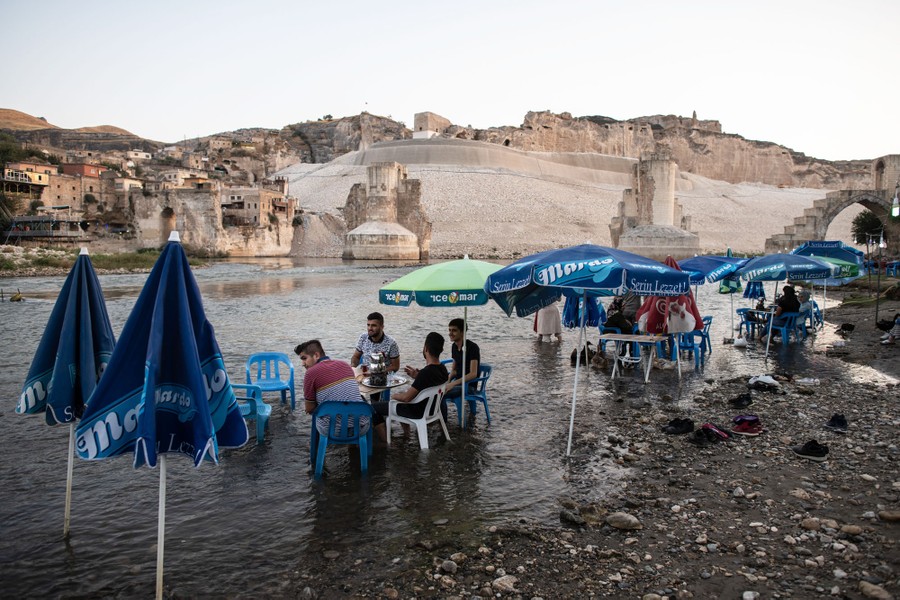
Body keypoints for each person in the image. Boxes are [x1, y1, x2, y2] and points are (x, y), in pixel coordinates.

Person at [371, 332, 449, 440]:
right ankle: (406, 435)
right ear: (441, 350)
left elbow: (407, 398)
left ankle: (385, 441)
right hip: (432, 409)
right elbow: (430, 381)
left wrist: (395, 396)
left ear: (426, 348)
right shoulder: (443, 369)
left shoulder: (425, 373)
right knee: (400, 399)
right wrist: (416, 376)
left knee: (373, 407)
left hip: (416, 411)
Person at [295, 339, 368, 436]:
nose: (302, 363)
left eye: (304, 358)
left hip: (334, 431)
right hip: (361, 427)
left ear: (316, 355)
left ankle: (316, 449)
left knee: (318, 413)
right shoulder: (345, 365)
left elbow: (309, 409)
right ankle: (353, 447)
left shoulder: (310, 373)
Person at [351, 311, 400, 401]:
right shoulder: (363, 337)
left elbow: (395, 366)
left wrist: (376, 372)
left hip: (380, 378)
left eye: (373, 325)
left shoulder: (391, 343)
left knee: (375, 399)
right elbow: (356, 357)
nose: (370, 328)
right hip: (363, 374)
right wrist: (353, 368)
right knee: (348, 390)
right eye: (368, 325)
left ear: (382, 327)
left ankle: (375, 410)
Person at [443, 317, 481, 422]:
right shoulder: (454, 347)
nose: (450, 333)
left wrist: (453, 384)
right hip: (457, 383)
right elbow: (454, 370)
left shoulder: (473, 347)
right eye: (449, 330)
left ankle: (443, 422)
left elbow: (473, 374)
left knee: (440, 394)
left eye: (454, 330)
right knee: (435, 389)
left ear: (462, 332)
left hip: (469, 386)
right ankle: (438, 418)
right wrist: (448, 382)